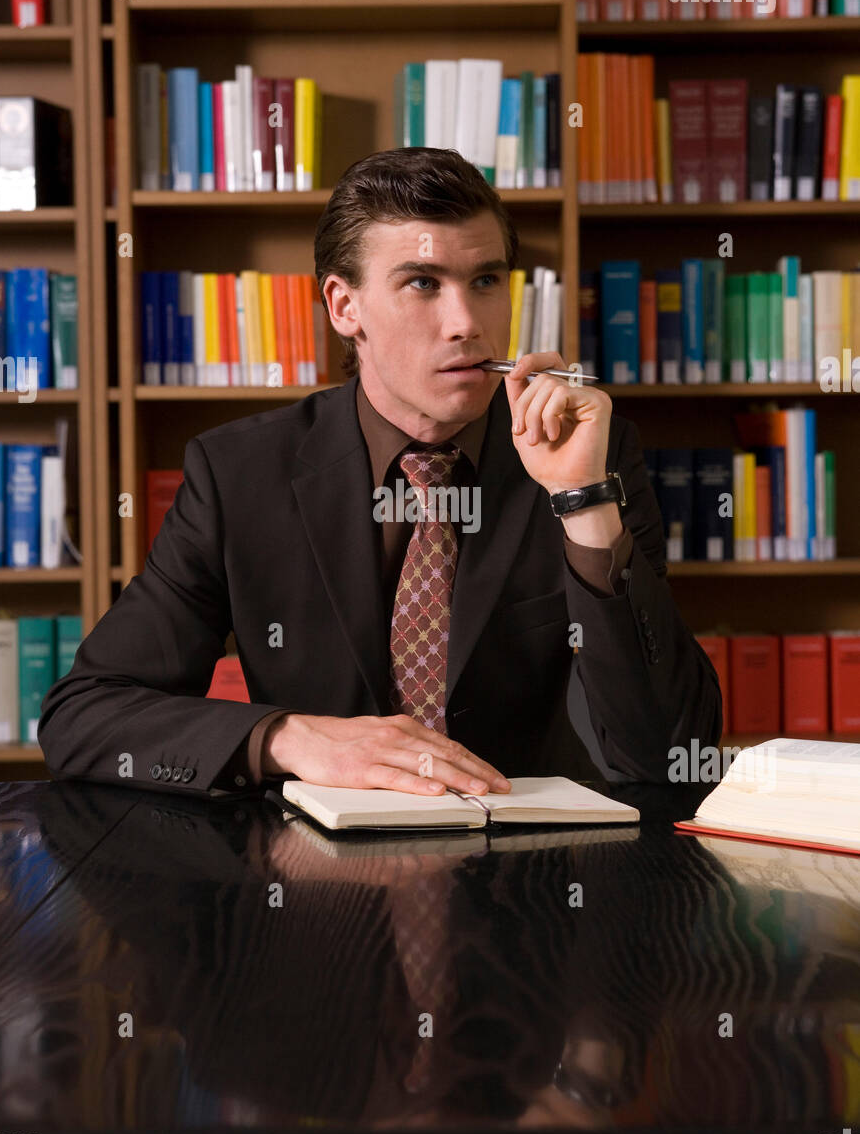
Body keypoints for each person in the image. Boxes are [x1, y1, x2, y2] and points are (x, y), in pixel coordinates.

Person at [38, 146, 721, 798]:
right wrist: (290, 738)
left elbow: (668, 757)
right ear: (345, 307)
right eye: (423, 283)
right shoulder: (237, 474)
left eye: (485, 281)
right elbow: (85, 714)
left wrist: (585, 505)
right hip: (316, 886)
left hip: (535, 881)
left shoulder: (593, 455)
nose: (466, 323)